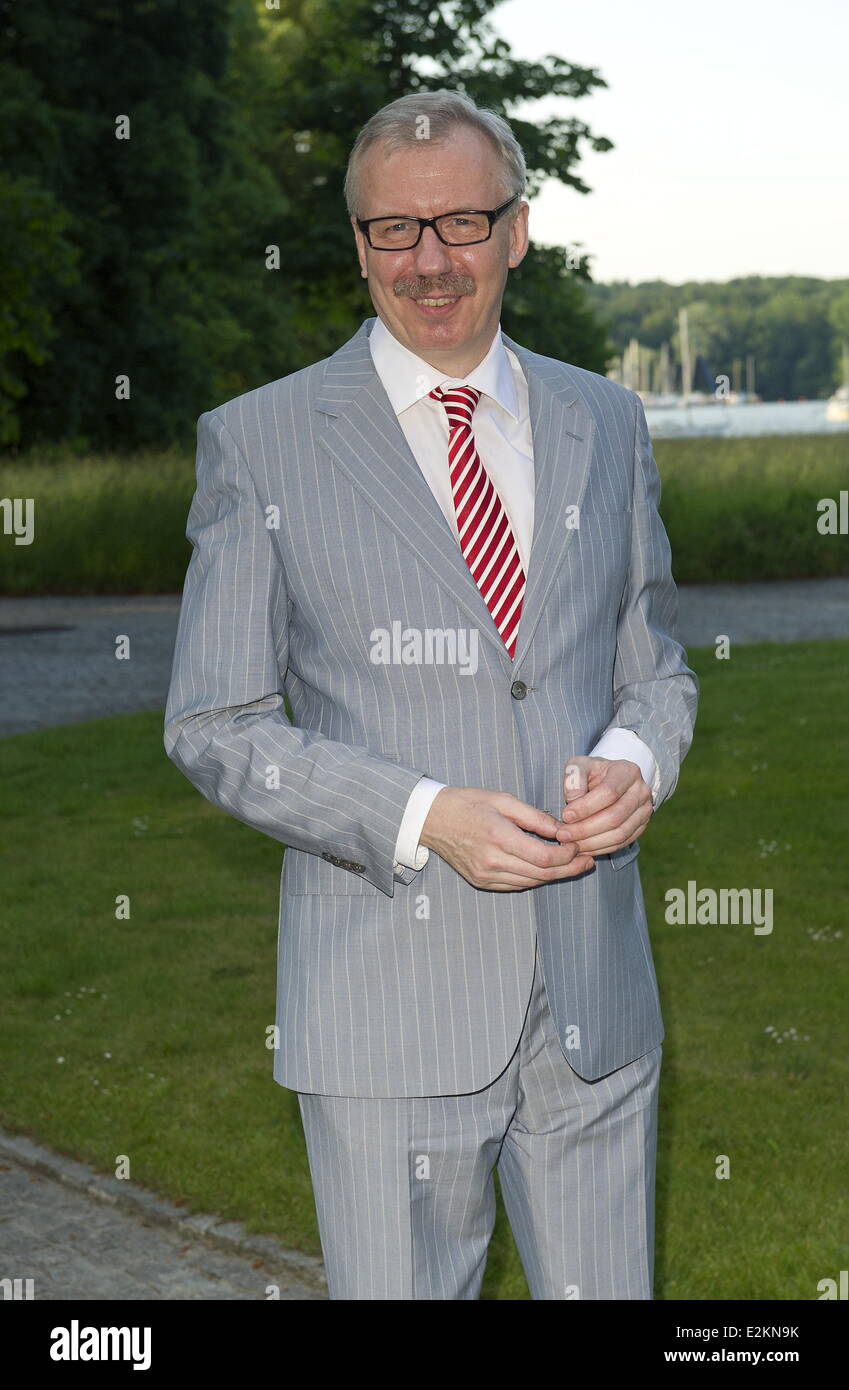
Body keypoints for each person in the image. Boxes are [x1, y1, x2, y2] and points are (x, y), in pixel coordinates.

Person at [164, 89, 698, 1301]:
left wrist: (636, 759)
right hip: (385, 1010)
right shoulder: (260, 442)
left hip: (596, 999)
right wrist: (423, 815)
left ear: (518, 229)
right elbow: (212, 723)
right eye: (395, 231)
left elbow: (653, 661)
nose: (431, 260)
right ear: (358, 245)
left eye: (462, 221)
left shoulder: (607, 421)